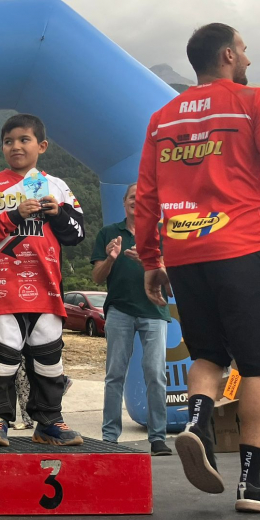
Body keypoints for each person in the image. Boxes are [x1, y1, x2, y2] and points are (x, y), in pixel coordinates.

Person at [137, 23, 260, 513]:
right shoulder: (254, 100)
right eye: (245, 51)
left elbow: (146, 195)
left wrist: (151, 260)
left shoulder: (162, 117)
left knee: (208, 356)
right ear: (228, 55)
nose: (249, 60)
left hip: (184, 256)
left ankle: (196, 424)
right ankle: (251, 483)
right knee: (258, 367)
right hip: (242, 248)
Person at [0, 113, 86, 447]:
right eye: (8, 141)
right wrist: (13, 215)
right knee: (3, 355)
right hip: (2, 284)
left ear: (42, 146)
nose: (15, 146)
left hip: (47, 286)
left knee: (49, 358)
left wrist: (58, 214)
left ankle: (49, 421)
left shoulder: (57, 186)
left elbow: (78, 232)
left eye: (24, 140)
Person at [91, 183, 172, 456]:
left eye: (144, 197)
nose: (138, 201)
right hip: (119, 310)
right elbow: (97, 277)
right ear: (124, 202)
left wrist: (148, 262)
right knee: (115, 375)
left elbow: (172, 283)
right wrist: (110, 259)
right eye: (133, 197)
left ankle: (157, 438)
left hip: (155, 311)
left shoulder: (162, 234)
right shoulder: (108, 233)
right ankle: (110, 438)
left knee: (156, 374)